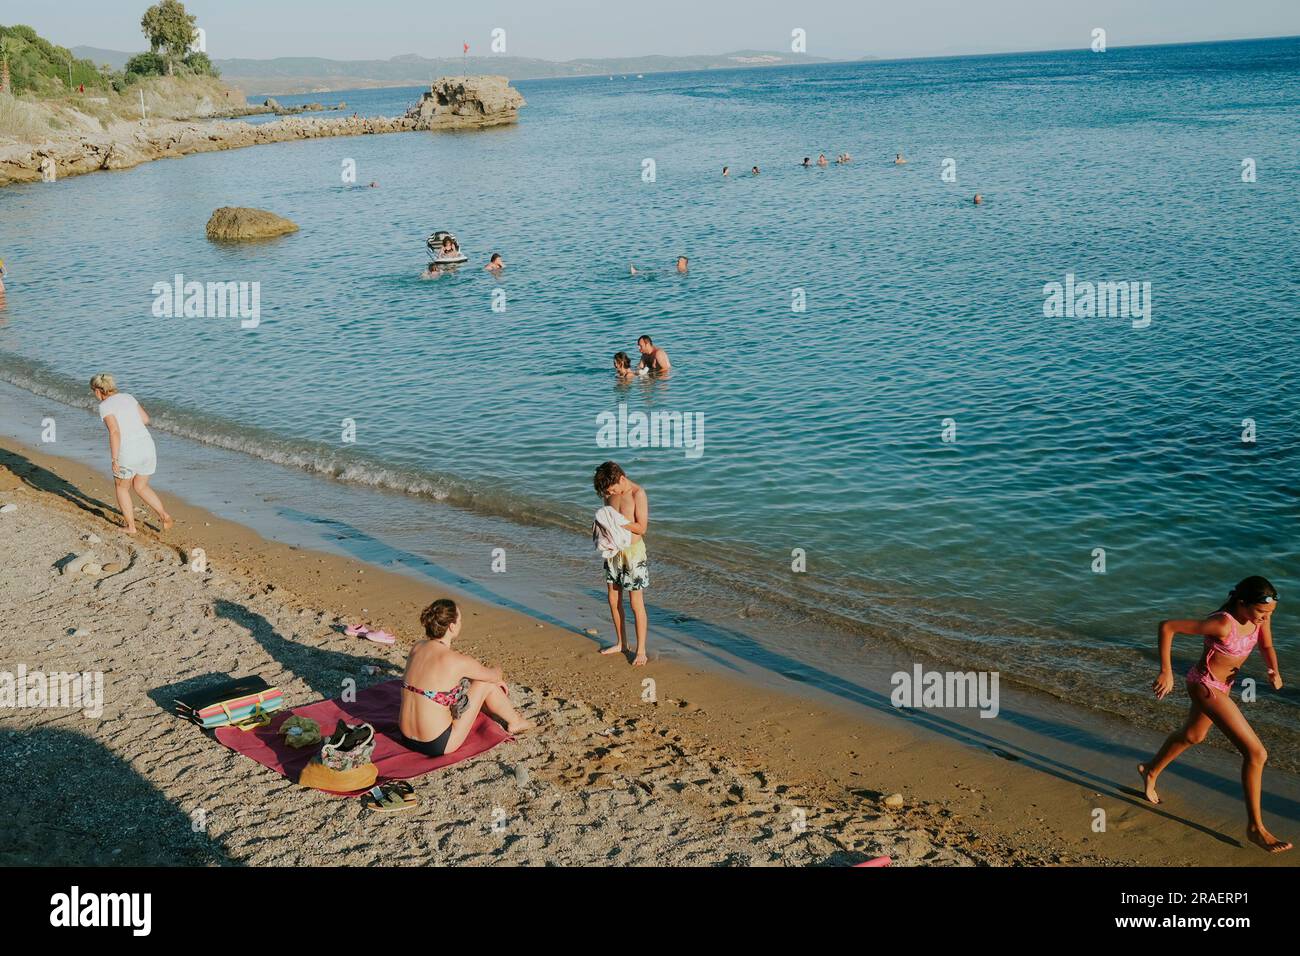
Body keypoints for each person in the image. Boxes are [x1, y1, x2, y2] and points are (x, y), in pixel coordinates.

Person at [1139, 576, 1290, 853]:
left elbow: (1267, 646)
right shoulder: (1222, 624)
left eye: (1270, 613)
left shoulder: (1260, 618)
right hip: (1205, 685)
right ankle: (1255, 827)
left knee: (1193, 735)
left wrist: (1273, 669)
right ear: (1242, 603)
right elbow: (1168, 626)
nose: (1266, 618)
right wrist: (1166, 671)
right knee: (1257, 754)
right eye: (1262, 612)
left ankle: (1150, 769)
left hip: (1223, 686)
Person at [398, 599, 533, 756]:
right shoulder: (457, 661)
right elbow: (493, 676)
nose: (461, 623)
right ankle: (515, 722)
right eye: (460, 619)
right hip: (437, 744)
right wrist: (498, 668)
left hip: (405, 737)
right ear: (452, 626)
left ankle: (505, 714)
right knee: (484, 683)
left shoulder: (417, 647)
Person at [89, 373, 173, 535]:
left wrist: (114, 459)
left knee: (122, 487)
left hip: (128, 451)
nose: (94, 394)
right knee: (141, 486)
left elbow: (115, 432)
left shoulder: (105, 406)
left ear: (99, 390)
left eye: (93, 391)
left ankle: (131, 527)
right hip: (147, 446)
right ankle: (164, 515)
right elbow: (145, 419)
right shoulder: (128, 397)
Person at [593, 462, 650, 665]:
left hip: (633, 554)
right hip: (613, 552)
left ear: (622, 479)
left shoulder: (638, 494)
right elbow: (605, 520)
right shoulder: (608, 493)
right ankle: (621, 643)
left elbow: (642, 528)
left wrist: (620, 522)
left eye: (612, 489)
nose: (610, 493)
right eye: (607, 491)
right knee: (613, 598)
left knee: (635, 603)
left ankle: (641, 650)